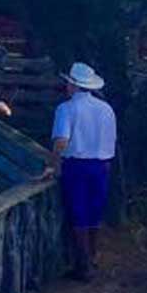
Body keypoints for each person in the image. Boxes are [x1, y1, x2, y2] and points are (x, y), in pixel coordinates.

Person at [48, 62, 116, 281]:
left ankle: (83, 264)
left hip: (76, 165)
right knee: (95, 211)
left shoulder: (66, 109)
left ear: (73, 85)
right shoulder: (106, 109)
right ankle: (92, 257)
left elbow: (61, 141)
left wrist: (54, 165)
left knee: (78, 213)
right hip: (102, 164)